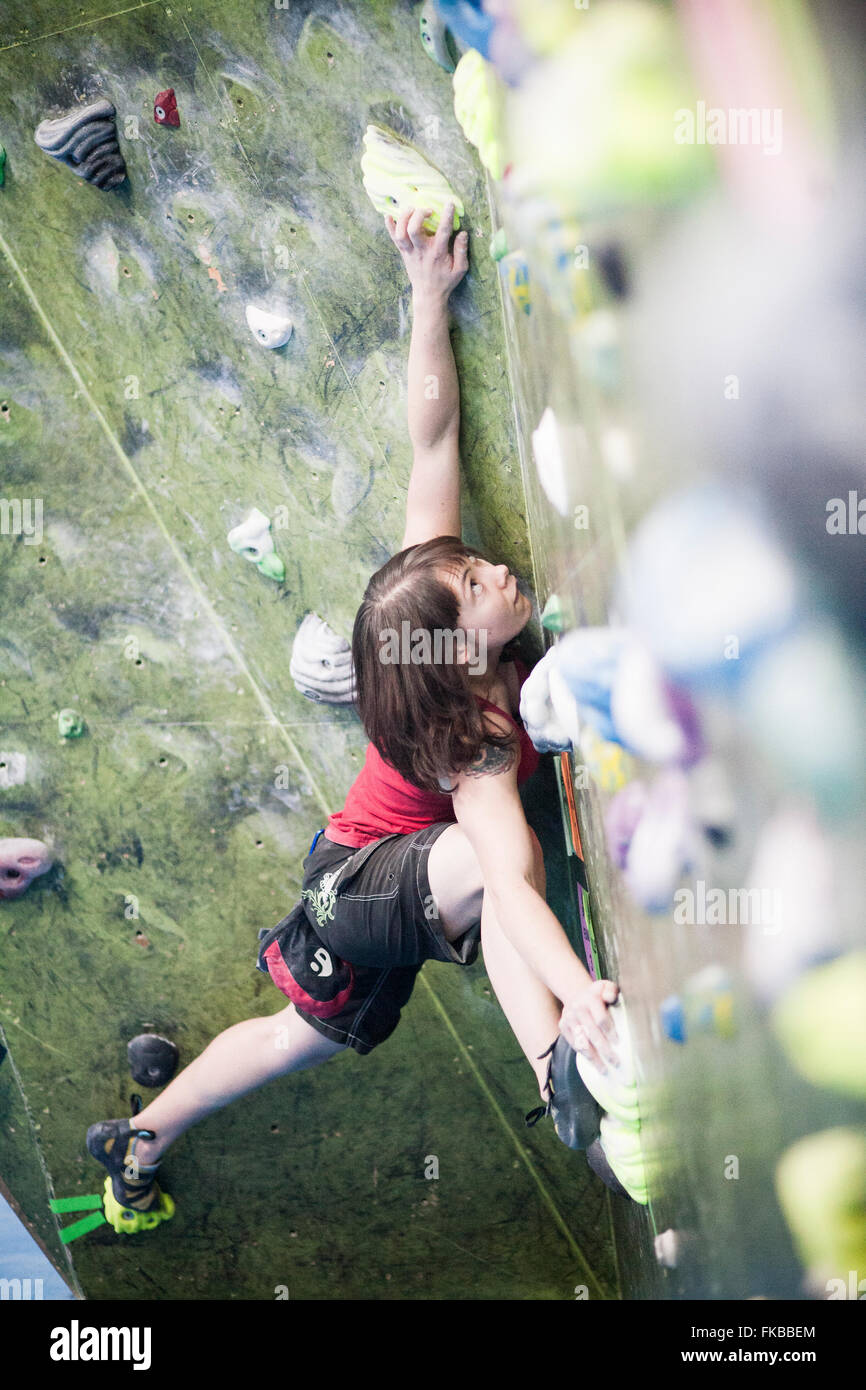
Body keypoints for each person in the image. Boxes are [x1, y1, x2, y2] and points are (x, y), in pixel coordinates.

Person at [86, 202, 625, 1214]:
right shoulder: (467, 736)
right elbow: (508, 885)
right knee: (489, 866)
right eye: (476, 585)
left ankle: (142, 1136)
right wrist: (577, 994)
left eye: (470, 567)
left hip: (370, 881)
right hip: (361, 884)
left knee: (301, 1034)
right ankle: (558, 1061)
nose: (493, 571)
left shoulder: (424, 603)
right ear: (456, 649)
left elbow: (431, 445)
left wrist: (425, 292)